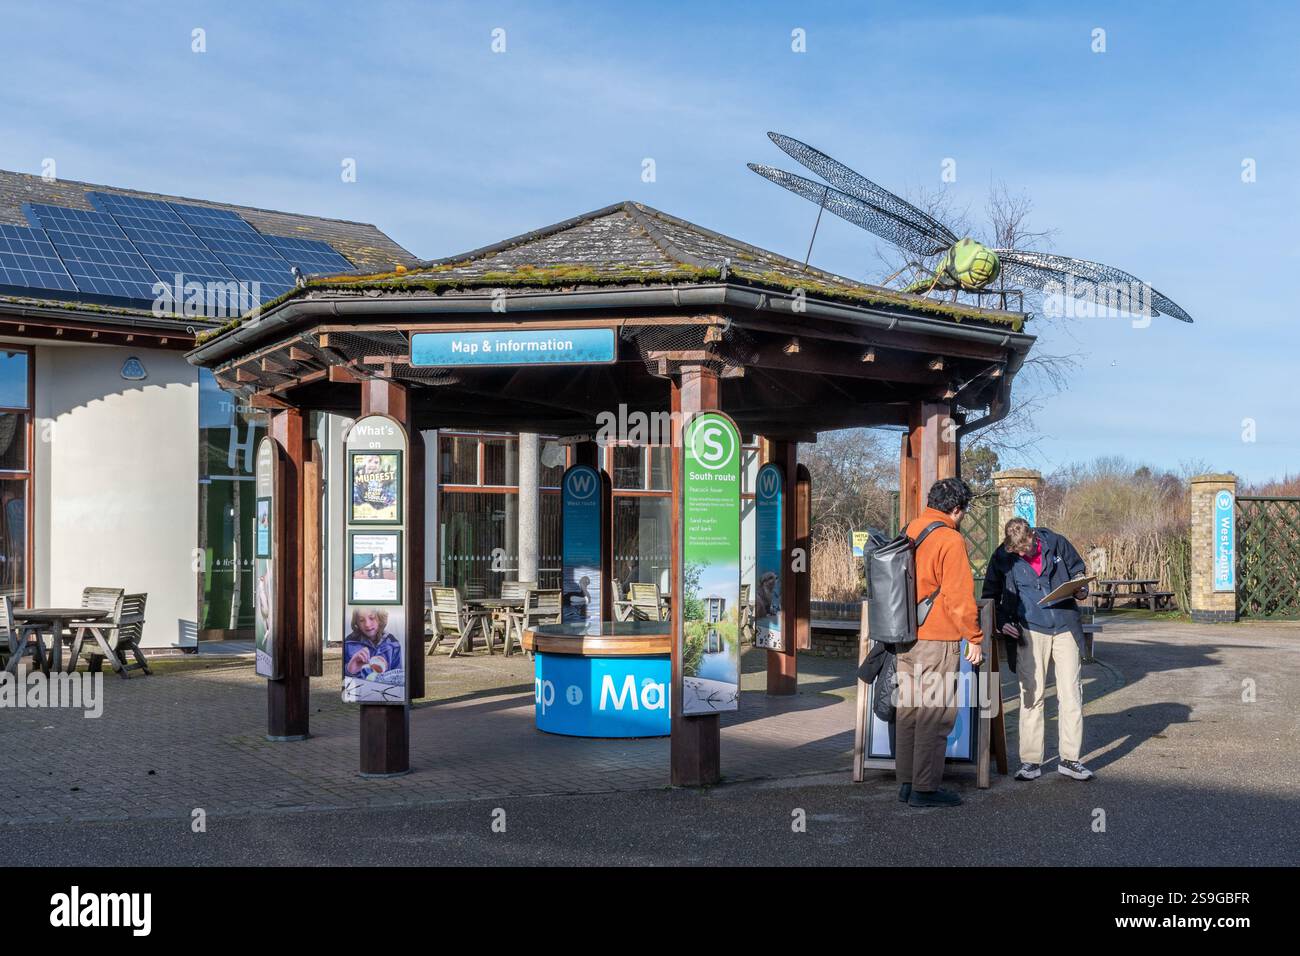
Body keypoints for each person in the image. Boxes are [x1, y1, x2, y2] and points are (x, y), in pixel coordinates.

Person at [982, 517, 1094, 781]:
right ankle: (1031, 761)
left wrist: (1080, 588)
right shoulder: (1002, 557)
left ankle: (1071, 759)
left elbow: (1078, 571)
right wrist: (1002, 621)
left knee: (1071, 693)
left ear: (1033, 536)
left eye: (1026, 549)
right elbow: (989, 594)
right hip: (1029, 629)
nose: (1022, 553)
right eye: (1017, 551)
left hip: (1065, 625)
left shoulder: (1057, 543)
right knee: (1032, 696)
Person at [897, 477, 984, 809]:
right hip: (937, 638)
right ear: (958, 509)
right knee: (935, 715)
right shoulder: (949, 538)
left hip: (904, 636)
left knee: (909, 712)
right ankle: (925, 789)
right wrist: (973, 638)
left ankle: (906, 783)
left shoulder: (911, 528)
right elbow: (959, 597)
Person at [344, 608, 403, 679]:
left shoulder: (393, 645)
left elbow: (398, 677)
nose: (367, 625)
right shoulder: (349, 643)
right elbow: (343, 679)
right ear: (356, 623)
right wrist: (349, 670)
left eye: (372, 618)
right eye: (361, 620)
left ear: (381, 618)